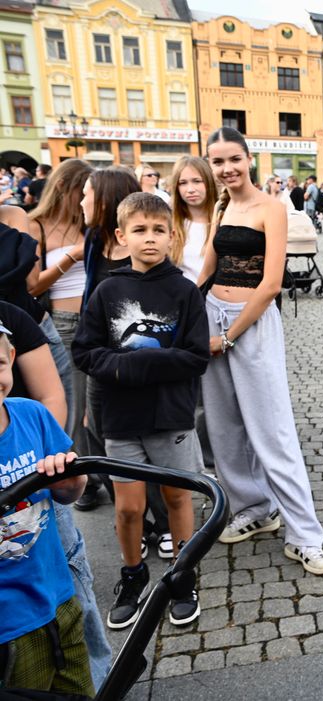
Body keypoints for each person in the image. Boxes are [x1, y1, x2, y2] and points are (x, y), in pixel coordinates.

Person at [199, 127, 323, 576]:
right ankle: (254, 508)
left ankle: (305, 535)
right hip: (212, 317)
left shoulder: (272, 208)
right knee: (224, 428)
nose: (226, 169)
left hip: (250, 325)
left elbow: (271, 283)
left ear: (249, 158)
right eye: (217, 162)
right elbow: (206, 270)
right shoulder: (222, 207)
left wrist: (230, 336)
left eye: (233, 159)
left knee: (272, 431)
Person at [72, 193, 208, 629]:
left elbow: (195, 356)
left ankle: (183, 577)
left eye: (158, 230)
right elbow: (85, 352)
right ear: (121, 236)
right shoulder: (107, 290)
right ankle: (133, 574)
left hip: (171, 417)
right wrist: (124, 368)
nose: (149, 238)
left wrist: (139, 364)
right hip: (122, 420)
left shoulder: (185, 291)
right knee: (129, 509)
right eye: (139, 230)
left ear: (172, 235)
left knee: (176, 497)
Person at [0, 322, 93, 696]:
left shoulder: (31, 415)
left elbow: (71, 491)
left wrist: (68, 481)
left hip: (59, 596)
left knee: (79, 690)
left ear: (11, 360)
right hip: (9, 624)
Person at [76, 167, 142, 512]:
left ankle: (156, 518)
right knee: (95, 428)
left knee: (137, 436)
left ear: (104, 199)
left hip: (134, 361)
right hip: (99, 359)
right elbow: (89, 297)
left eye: (87, 193)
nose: (81, 200)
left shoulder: (138, 248)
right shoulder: (94, 240)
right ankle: (126, 509)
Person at [25, 160, 93, 445]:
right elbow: (33, 284)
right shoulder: (35, 225)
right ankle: (75, 475)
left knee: (96, 406)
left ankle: (99, 472)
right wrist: (71, 258)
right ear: (64, 187)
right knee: (71, 404)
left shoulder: (87, 222)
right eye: (82, 191)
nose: (86, 199)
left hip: (96, 321)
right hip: (63, 323)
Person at [170, 156, 218, 284]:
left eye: (197, 181)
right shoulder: (170, 223)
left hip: (218, 300)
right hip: (185, 299)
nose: (190, 189)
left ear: (209, 182)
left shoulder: (224, 219)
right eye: (183, 183)